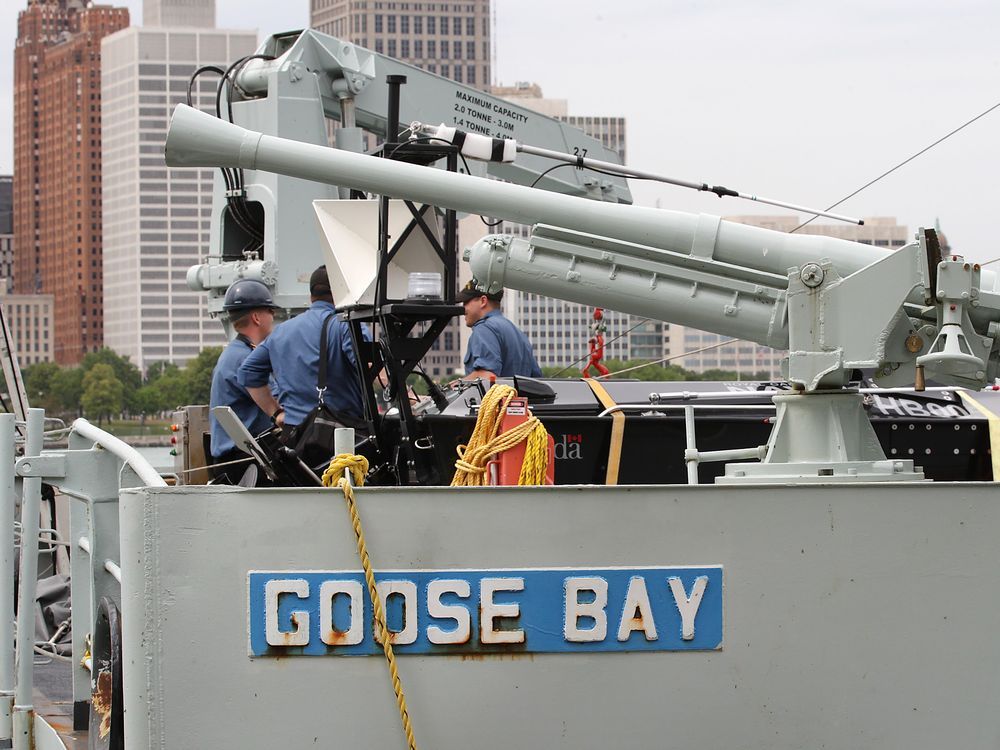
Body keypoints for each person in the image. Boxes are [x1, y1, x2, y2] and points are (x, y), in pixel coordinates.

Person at [238, 265, 366, 431]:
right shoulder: (346, 325)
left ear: (311, 296)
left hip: (295, 433)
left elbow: (247, 372)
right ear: (342, 291)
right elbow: (373, 369)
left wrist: (276, 413)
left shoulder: (281, 331)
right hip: (342, 432)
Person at [208, 279, 278, 483]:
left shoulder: (234, 353)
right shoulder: (245, 358)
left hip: (233, 461)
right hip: (244, 463)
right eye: (270, 311)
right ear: (257, 317)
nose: (273, 317)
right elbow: (279, 402)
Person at [457, 280, 542, 379]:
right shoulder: (518, 333)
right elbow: (536, 380)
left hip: (495, 390)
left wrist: (457, 385)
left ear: (483, 301)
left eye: (466, 302)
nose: (463, 308)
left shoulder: (484, 328)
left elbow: (487, 376)